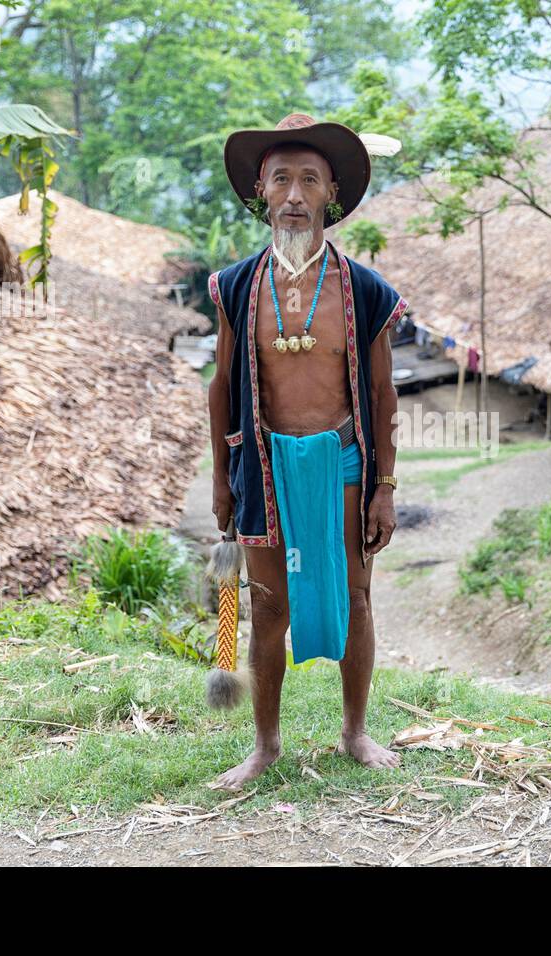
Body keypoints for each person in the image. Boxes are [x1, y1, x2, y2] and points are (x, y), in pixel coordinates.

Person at [206, 114, 408, 790]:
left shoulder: (366, 291)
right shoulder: (236, 286)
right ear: (260, 190)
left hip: (345, 466)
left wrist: (385, 486)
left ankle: (355, 732)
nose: (295, 194)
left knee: (355, 597)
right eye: (282, 179)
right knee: (267, 607)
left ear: (332, 196)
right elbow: (222, 389)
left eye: (310, 180)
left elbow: (381, 394)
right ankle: (265, 746)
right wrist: (221, 482)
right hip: (264, 467)